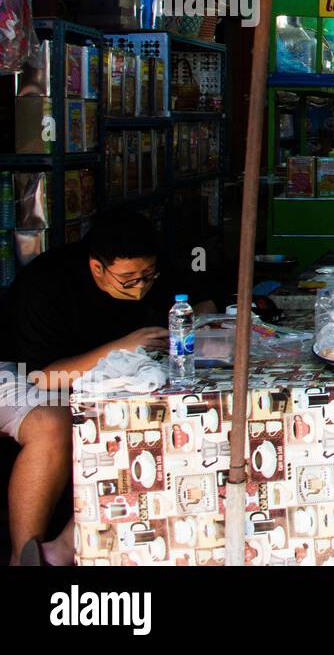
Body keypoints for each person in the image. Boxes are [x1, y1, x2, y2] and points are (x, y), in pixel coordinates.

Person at [0, 208, 216, 565]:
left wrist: (197, 324)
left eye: (148, 275)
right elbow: (43, 377)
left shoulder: (149, 271)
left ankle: (62, 548)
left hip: (94, 376)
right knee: (53, 426)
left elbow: (201, 303)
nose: (141, 286)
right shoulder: (48, 282)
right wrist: (124, 345)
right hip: (19, 370)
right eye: (127, 279)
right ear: (97, 267)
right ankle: (24, 554)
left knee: (143, 420)